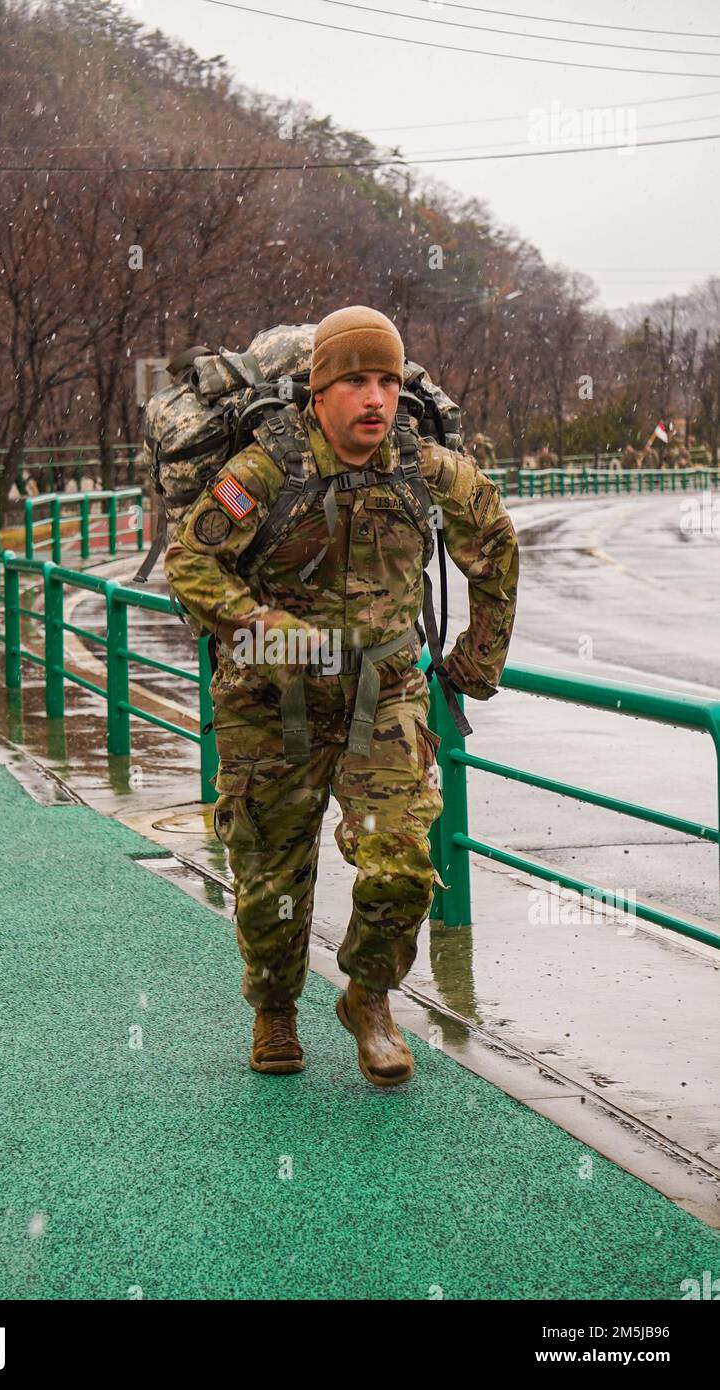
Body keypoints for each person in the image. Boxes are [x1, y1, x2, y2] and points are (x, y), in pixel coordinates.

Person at [164, 306, 519, 1087]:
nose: (375, 399)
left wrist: (476, 662)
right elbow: (189, 563)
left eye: (388, 382)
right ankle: (274, 1009)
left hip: (383, 698)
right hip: (269, 705)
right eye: (356, 381)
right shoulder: (264, 470)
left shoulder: (423, 467)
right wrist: (266, 627)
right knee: (268, 883)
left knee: (402, 862)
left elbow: (493, 544)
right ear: (320, 392)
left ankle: (369, 996)